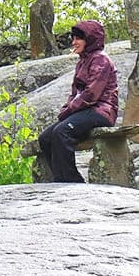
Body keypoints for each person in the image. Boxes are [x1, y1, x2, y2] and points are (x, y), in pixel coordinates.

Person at [38, 20, 118, 182]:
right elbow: (75, 93)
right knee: (45, 138)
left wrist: (68, 111)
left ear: (90, 39)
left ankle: (72, 181)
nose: (74, 42)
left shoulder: (100, 60)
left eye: (78, 38)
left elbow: (91, 94)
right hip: (84, 111)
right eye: (73, 38)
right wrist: (66, 108)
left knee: (62, 132)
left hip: (102, 111)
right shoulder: (82, 61)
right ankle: (60, 178)